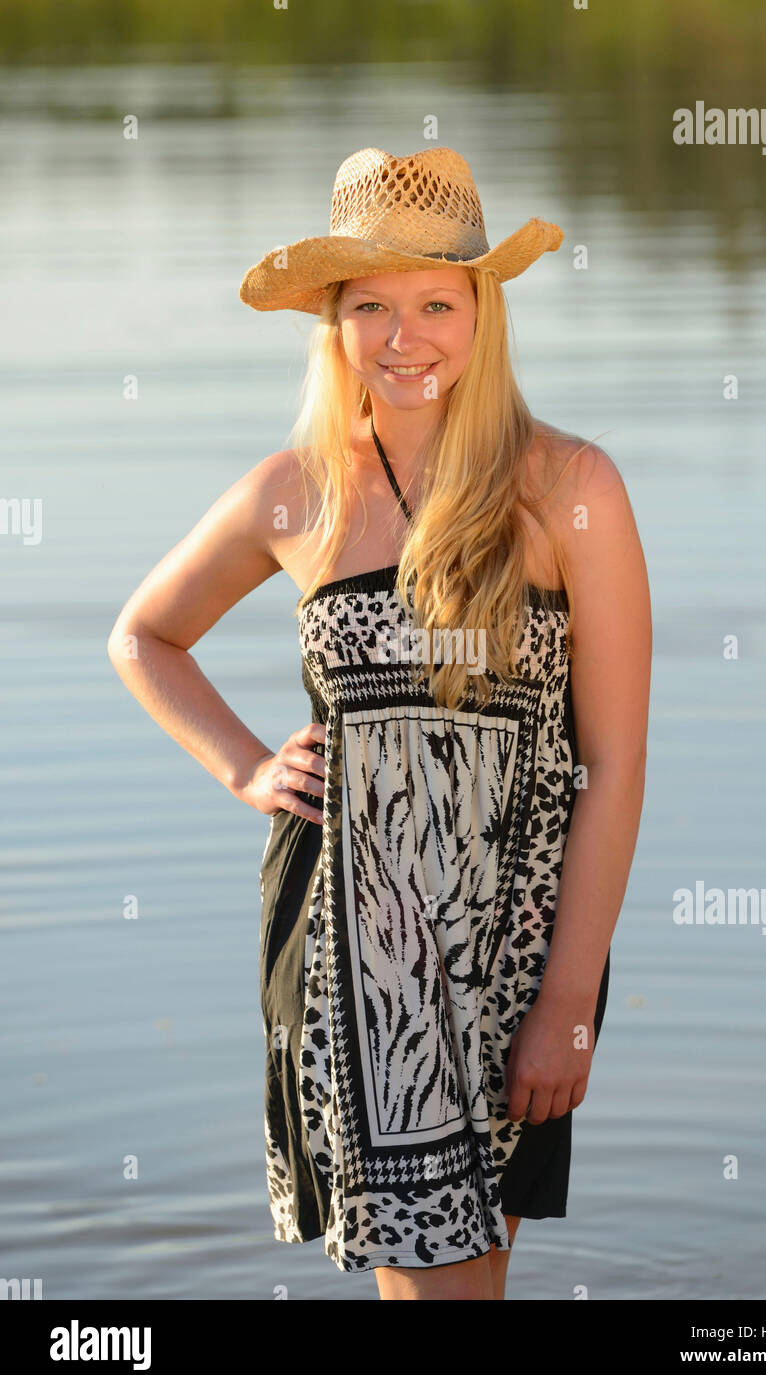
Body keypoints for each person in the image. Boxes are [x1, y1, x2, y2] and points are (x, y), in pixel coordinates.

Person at [107, 146, 651, 1301]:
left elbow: (611, 765)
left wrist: (567, 999)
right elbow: (144, 636)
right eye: (371, 308)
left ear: (481, 309)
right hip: (355, 954)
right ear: (334, 324)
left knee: (464, 1277)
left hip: (518, 942)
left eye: (435, 303)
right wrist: (249, 765)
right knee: (428, 1282)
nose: (406, 338)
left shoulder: (569, 488)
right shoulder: (297, 493)